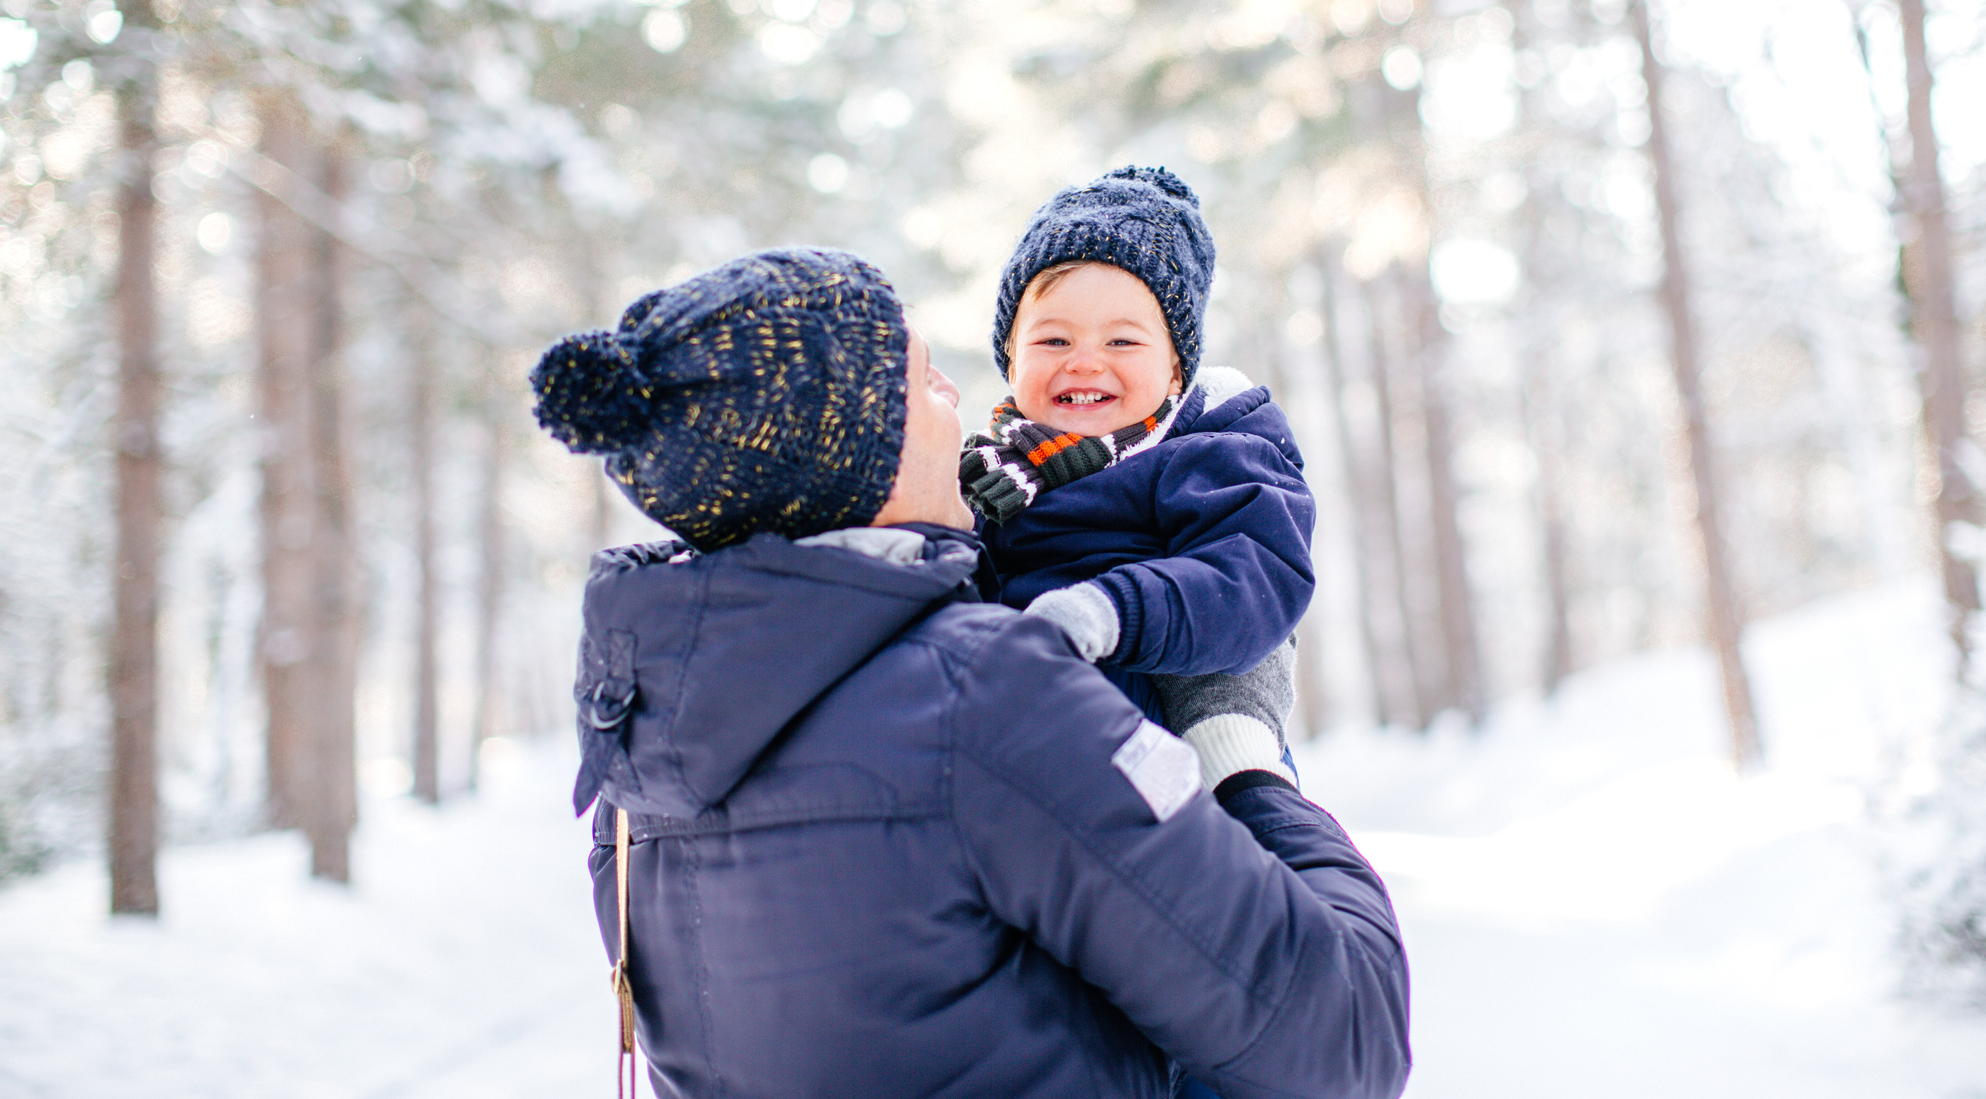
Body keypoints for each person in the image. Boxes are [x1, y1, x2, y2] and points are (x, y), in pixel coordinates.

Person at [531, 247, 1410, 1099]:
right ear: (854, 450)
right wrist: (1242, 759)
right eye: (919, 381)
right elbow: (1344, 1037)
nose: (955, 396)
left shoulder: (649, 739)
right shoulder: (985, 699)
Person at [962, 165, 1313, 786]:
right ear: (1010, 358)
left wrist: (1112, 610)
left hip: (1185, 757)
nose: (1085, 362)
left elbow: (1254, 576)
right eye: (1052, 341)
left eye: (1122, 342)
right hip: (1024, 756)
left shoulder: (1211, 449)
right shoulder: (988, 475)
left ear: (1177, 369)